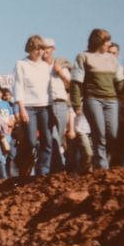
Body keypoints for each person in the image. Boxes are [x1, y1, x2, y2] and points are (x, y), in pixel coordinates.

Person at [70, 29, 124, 170]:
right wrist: (76, 104)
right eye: (106, 41)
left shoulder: (112, 60)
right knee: (99, 133)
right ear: (98, 42)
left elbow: (120, 82)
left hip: (111, 100)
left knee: (112, 134)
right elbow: (76, 82)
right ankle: (102, 166)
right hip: (93, 99)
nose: (109, 44)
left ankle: (103, 160)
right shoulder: (83, 57)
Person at [13, 35, 53, 176]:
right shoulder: (21, 64)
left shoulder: (46, 66)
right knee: (30, 141)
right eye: (37, 49)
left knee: (47, 140)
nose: (39, 52)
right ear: (30, 49)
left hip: (46, 106)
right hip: (29, 107)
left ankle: (43, 171)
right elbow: (18, 86)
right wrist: (21, 108)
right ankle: (23, 164)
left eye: (42, 49)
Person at [42, 38, 72, 172]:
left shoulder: (60, 64)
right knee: (49, 137)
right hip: (45, 104)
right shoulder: (38, 67)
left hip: (60, 102)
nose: (44, 51)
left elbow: (70, 84)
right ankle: (56, 168)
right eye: (41, 48)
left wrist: (59, 72)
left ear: (53, 49)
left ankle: (59, 166)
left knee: (58, 137)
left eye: (47, 48)